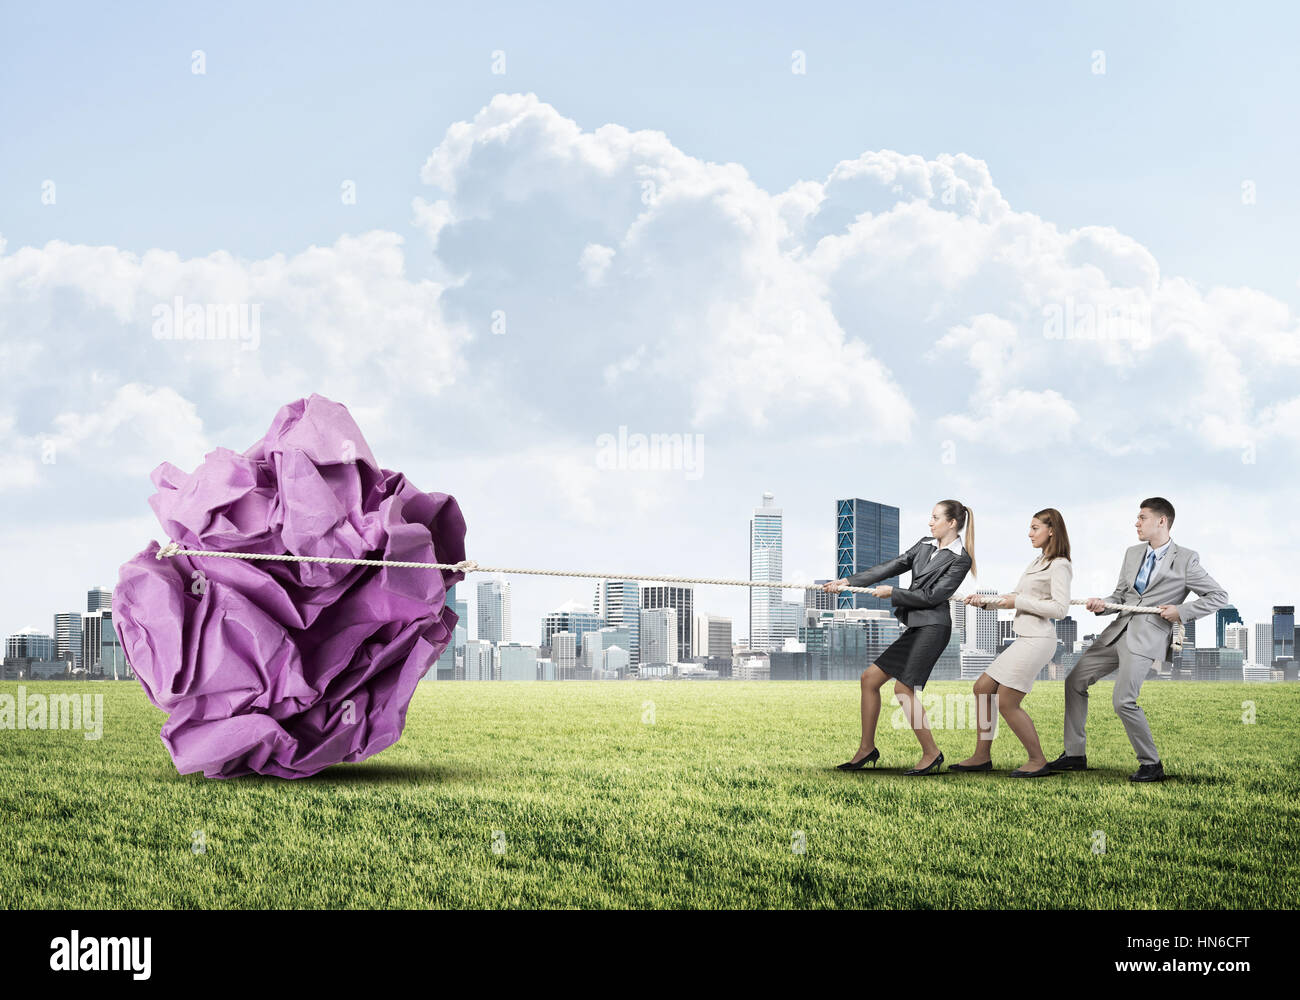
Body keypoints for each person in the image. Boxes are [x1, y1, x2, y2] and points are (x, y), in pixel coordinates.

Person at [1049, 497, 1228, 782]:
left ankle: (1151, 764)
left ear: (1162, 521)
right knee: (1074, 681)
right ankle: (1074, 755)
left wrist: (1181, 611)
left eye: (1142, 517)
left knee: (1123, 701)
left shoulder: (1186, 559)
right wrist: (1103, 604)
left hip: (1147, 637)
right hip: (1117, 630)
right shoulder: (1133, 553)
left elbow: (1219, 597)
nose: (1136, 522)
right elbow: (1120, 596)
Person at [822, 500, 975, 775]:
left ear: (952, 523)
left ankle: (932, 753)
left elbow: (933, 597)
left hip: (934, 628)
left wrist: (893, 594)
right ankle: (866, 749)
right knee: (869, 679)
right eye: (931, 517)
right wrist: (849, 582)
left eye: (935, 517)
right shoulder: (924, 545)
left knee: (902, 689)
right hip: (916, 626)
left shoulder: (961, 559)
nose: (930, 522)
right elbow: (893, 565)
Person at [949, 509, 1072, 777]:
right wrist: (986, 601)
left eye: (1035, 528)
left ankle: (1038, 760)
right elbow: (1016, 595)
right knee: (983, 687)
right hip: (1024, 637)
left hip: (1038, 639)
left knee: (1007, 701)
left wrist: (1018, 602)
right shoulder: (1037, 562)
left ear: (1051, 530)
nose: (1029, 533)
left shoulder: (1060, 564)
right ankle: (982, 756)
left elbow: (1060, 609)